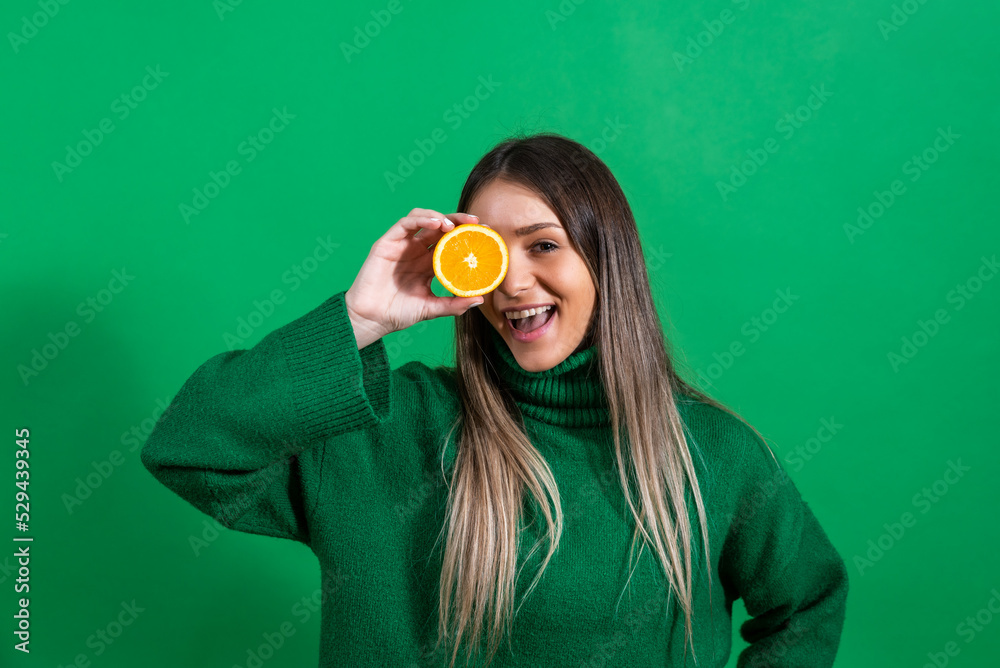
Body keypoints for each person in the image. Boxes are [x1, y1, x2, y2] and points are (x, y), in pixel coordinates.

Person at [141, 132, 849, 667]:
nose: (513, 282)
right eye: (491, 252)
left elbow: (807, 604)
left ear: (606, 259)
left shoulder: (713, 454)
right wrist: (361, 318)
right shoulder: (389, 430)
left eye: (543, 245)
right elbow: (190, 447)